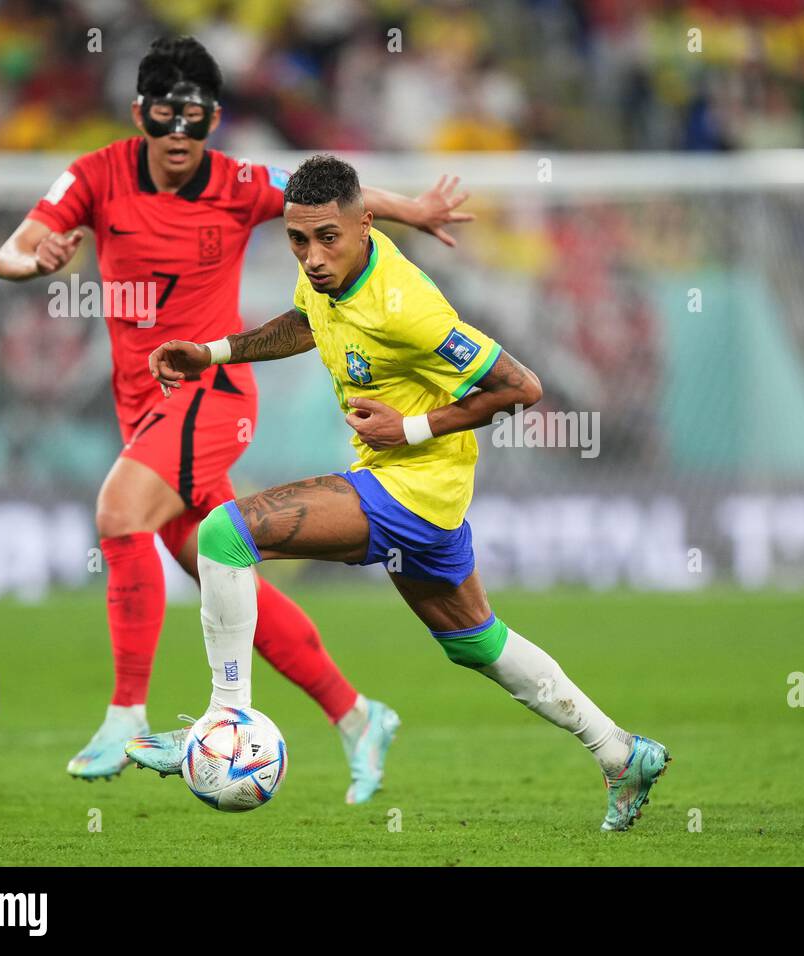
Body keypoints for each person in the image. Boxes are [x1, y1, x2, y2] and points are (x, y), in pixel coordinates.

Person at [0, 36, 472, 802]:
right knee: (224, 571)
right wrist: (37, 262)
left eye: (194, 118)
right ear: (138, 114)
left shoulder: (242, 182)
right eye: (164, 116)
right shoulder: (93, 176)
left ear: (212, 119)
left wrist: (413, 209)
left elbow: (339, 200)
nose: (179, 134)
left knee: (119, 515)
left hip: (211, 395)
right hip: (143, 413)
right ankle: (356, 715)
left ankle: (124, 716)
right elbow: (8, 254)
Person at [132, 154, 670, 831]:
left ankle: (224, 718)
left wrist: (409, 425)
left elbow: (521, 387)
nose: (312, 256)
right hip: (425, 496)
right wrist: (213, 354)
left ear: (364, 225)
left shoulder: (405, 306)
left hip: (410, 486)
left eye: (327, 238)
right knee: (475, 641)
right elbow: (306, 321)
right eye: (298, 240)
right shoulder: (330, 274)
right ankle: (621, 752)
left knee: (223, 535)